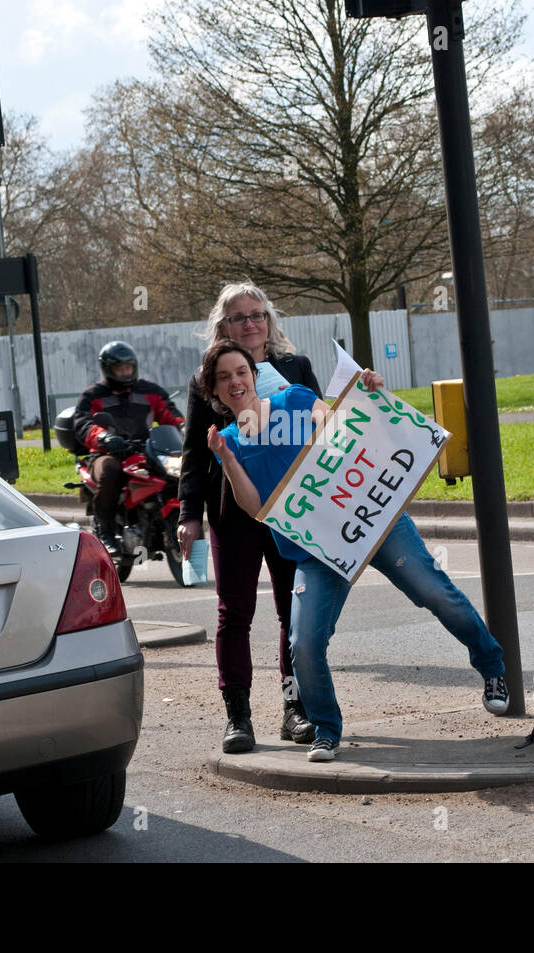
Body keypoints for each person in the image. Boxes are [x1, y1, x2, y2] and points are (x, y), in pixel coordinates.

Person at [201, 340, 509, 763]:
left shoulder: (295, 399)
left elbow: (347, 431)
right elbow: (256, 509)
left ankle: (492, 667)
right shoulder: (230, 441)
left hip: (372, 520)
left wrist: (371, 396)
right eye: (224, 377)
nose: (235, 381)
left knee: (433, 592)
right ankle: (326, 730)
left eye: (241, 371)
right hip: (315, 549)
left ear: (254, 375)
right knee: (304, 643)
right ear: (214, 392)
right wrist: (225, 457)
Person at [177, 283, 322, 754]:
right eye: (239, 317)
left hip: (289, 508)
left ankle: (294, 709)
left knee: (293, 611)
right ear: (225, 326)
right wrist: (189, 516)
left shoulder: (295, 369)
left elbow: (327, 430)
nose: (250, 323)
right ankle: (238, 716)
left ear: (269, 319)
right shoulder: (210, 380)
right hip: (232, 512)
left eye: (257, 314)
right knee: (234, 613)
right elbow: (195, 455)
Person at [71, 341, 183, 554]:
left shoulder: (150, 390)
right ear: (107, 369)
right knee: (111, 470)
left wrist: (184, 426)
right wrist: (104, 437)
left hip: (146, 450)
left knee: (172, 473)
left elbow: (169, 412)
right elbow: (83, 424)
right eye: (120, 368)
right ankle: (106, 532)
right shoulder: (93, 395)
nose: (125, 372)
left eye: (129, 367)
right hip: (106, 453)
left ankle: (161, 517)